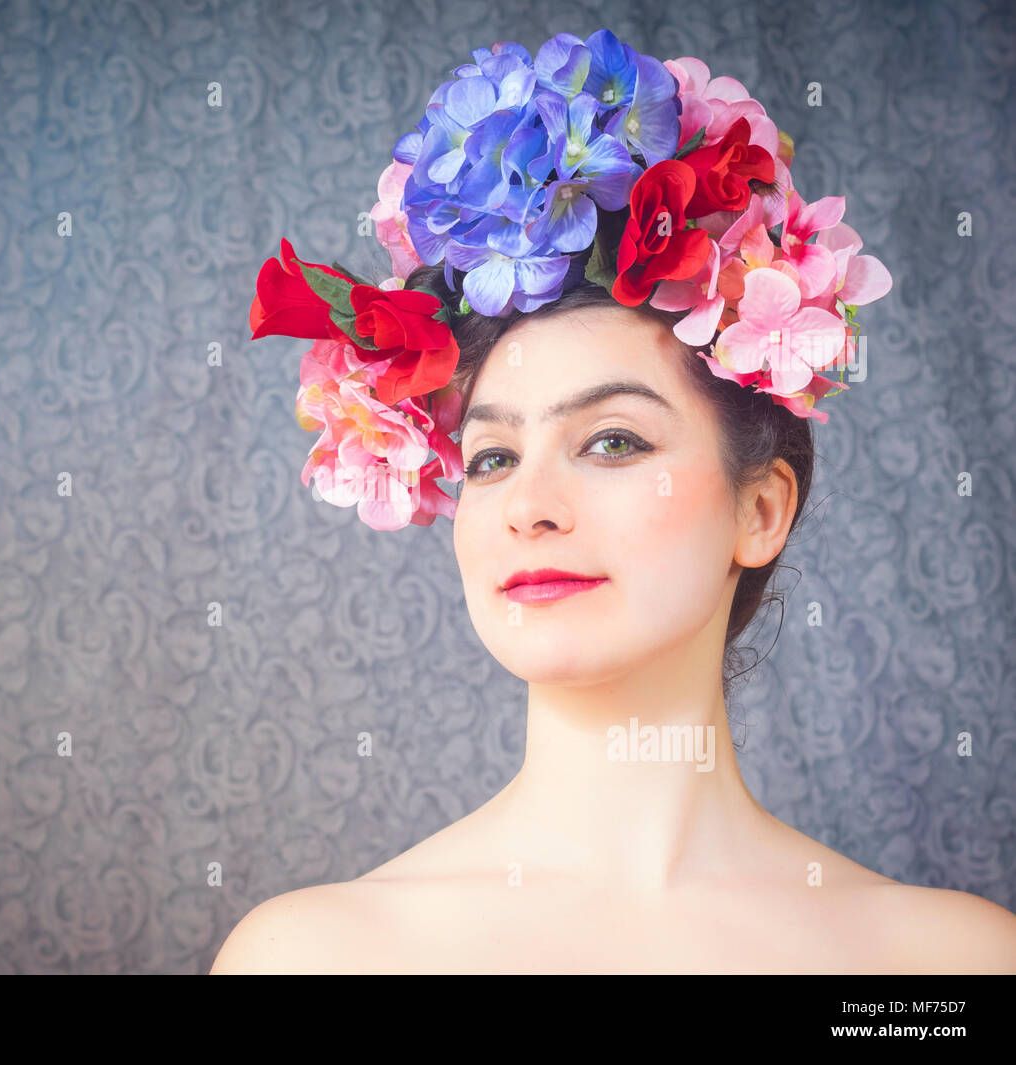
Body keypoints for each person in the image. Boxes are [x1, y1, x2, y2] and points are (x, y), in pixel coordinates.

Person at [214, 29, 1016, 974]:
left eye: (613, 442)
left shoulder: (945, 969)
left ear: (761, 509)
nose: (531, 507)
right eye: (493, 457)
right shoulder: (316, 958)